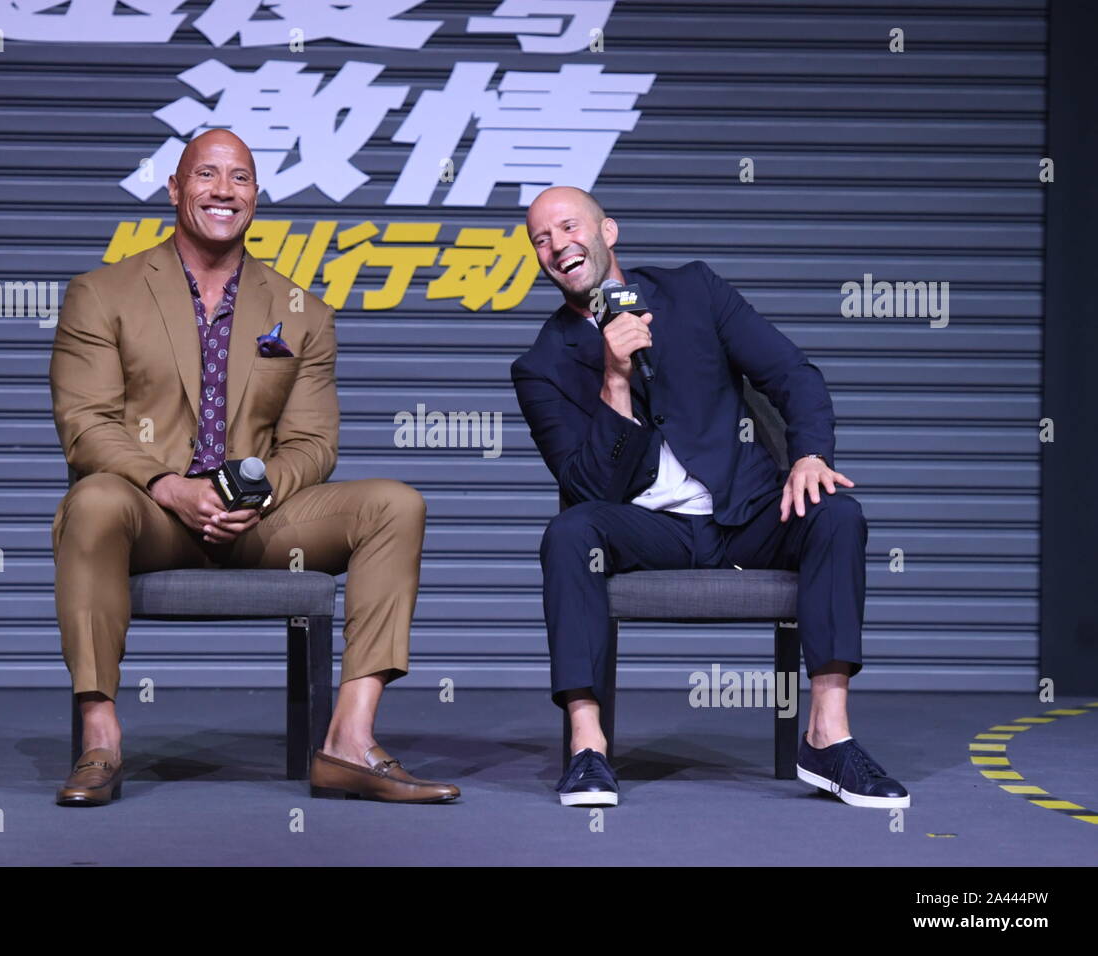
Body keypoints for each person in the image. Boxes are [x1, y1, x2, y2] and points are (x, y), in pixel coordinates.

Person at [48, 129, 459, 806]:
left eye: (239, 178)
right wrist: (170, 486)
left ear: (256, 198)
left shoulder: (302, 311)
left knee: (395, 504)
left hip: (262, 523)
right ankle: (101, 740)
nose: (223, 190)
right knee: (92, 501)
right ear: (175, 189)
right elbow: (86, 423)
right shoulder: (102, 293)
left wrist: (258, 497)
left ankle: (349, 743)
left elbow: (312, 442)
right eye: (206, 175)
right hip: (151, 514)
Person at [511, 186, 909, 810]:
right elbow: (586, 490)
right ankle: (588, 748)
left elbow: (791, 374)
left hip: (745, 515)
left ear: (607, 231)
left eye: (567, 227)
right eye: (540, 239)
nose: (557, 245)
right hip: (645, 528)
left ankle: (829, 735)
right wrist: (615, 379)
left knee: (836, 513)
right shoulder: (542, 364)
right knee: (570, 534)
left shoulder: (694, 291)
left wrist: (809, 457)